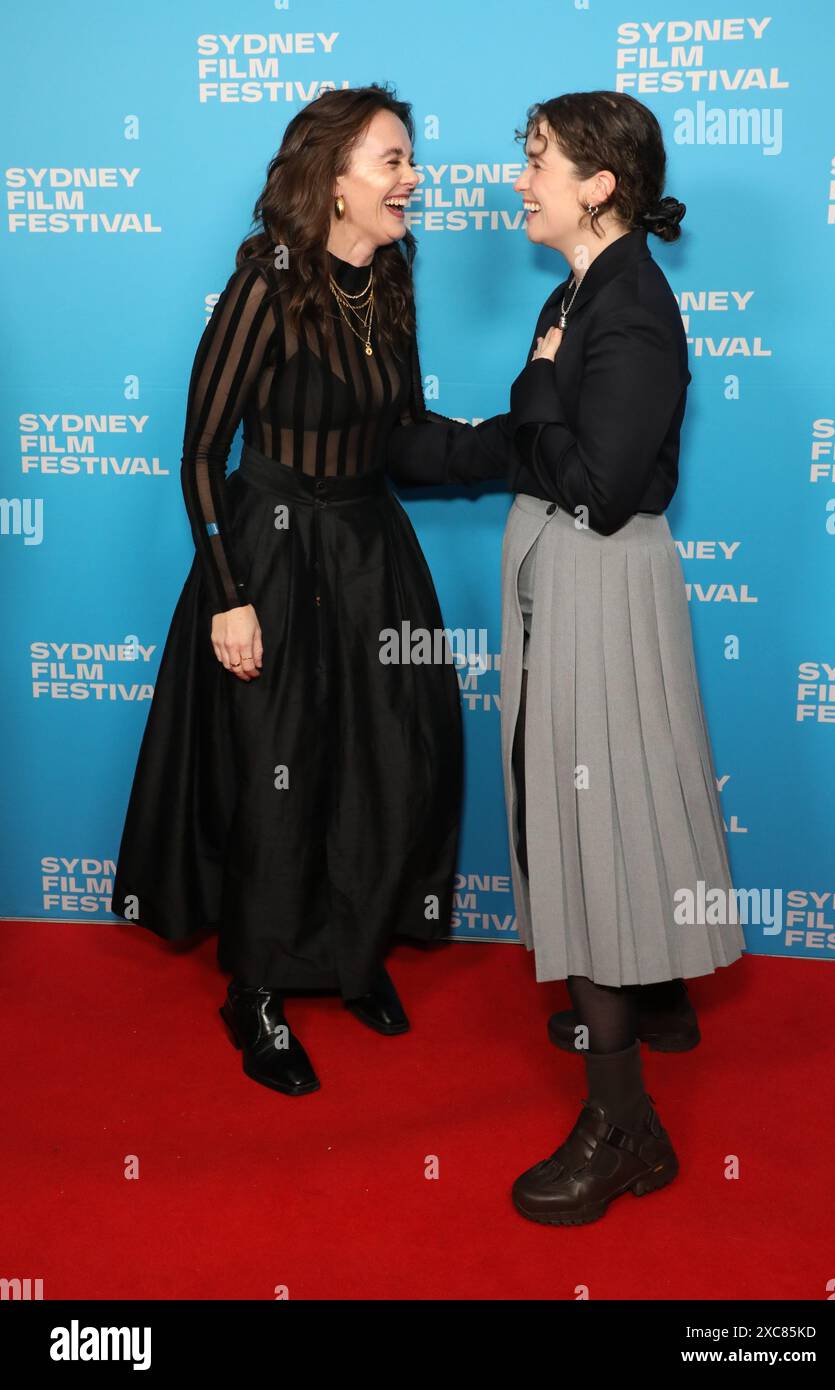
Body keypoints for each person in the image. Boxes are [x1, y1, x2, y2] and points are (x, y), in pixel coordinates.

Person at [389, 90, 747, 1225]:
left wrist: (536, 387)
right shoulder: (580, 290)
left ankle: (622, 1123)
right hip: (577, 584)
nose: (520, 179)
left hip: (598, 582)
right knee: (616, 794)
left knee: (586, 823)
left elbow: (590, 486)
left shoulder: (628, 306)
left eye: (537, 160)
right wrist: (429, 448)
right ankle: (656, 995)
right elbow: (538, 448)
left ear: (600, 184)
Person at [110, 84, 489, 1098]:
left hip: (370, 555)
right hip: (272, 554)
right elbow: (198, 454)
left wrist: (511, 445)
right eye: (392, 161)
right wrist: (229, 594)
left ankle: (347, 954)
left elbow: (402, 434)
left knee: (380, 759)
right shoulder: (266, 284)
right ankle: (260, 989)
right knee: (275, 767)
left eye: (410, 159)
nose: (413, 178)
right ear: (331, 180)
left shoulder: (391, 276)